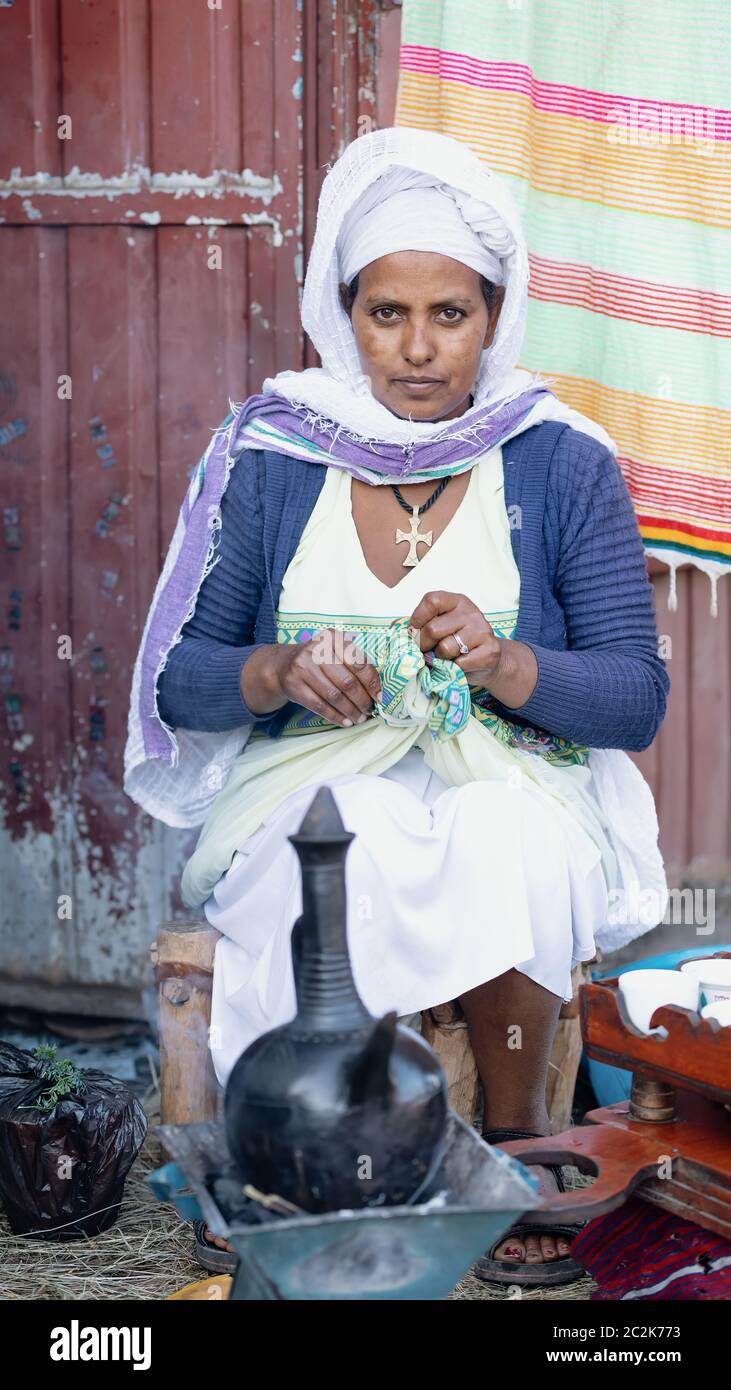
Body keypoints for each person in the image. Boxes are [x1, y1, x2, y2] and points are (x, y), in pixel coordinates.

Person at [125, 127, 669, 1286]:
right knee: (348, 829)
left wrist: (506, 662)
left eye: (450, 315)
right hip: (311, 779)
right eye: (386, 314)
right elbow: (180, 677)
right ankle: (325, 1163)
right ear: (342, 311)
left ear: (495, 313)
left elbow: (632, 697)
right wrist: (276, 673)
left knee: (503, 833)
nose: (418, 351)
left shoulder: (559, 459)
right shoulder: (273, 450)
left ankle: (519, 1148)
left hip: (508, 774)